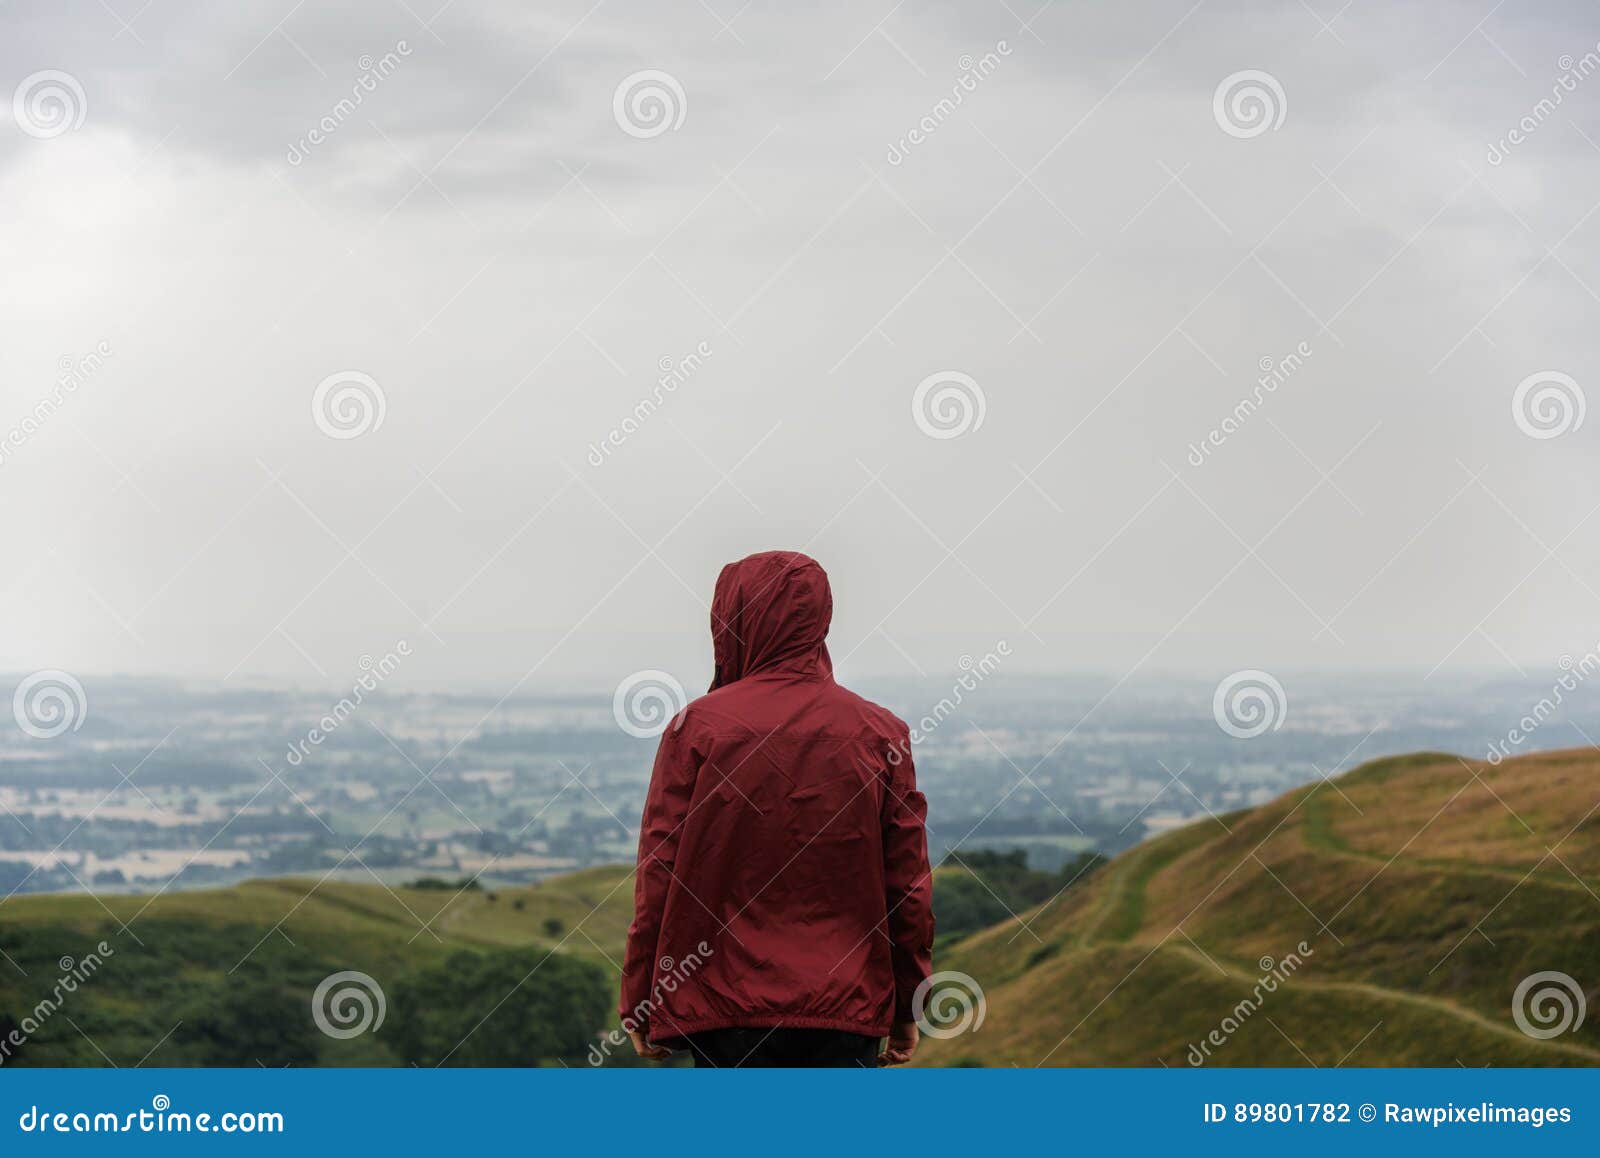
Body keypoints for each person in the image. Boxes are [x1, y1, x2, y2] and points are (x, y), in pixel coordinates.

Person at [619, 550, 935, 1067]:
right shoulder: (880, 734)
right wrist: (909, 1004)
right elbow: (909, 890)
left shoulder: (696, 730)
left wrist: (640, 997)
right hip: (846, 1008)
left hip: (722, 1011)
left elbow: (659, 875)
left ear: (732, 620)